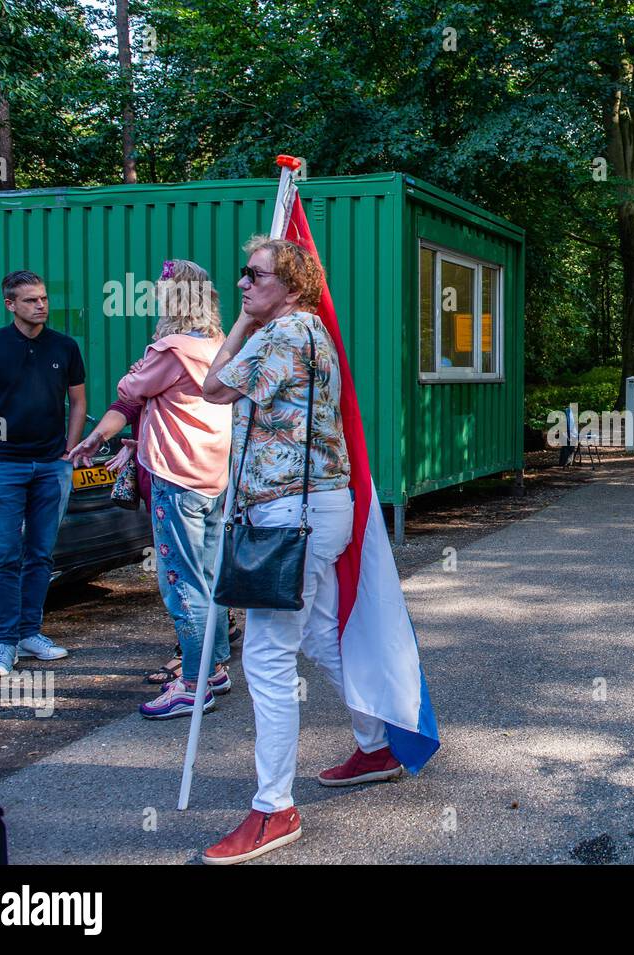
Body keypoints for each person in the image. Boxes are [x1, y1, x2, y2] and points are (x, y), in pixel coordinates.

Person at [198, 236, 398, 865]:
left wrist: (238, 326)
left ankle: (274, 808)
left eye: (254, 276)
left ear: (291, 286)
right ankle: (378, 743)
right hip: (312, 511)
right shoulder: (307, 332)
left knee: (265, 657)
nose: (242, 285)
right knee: (317, 638)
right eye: (242, 275)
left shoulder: (282, 337)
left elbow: (213, 388)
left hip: (290, 514)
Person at [67, 260, 234, 719]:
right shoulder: (218, 347)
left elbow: (129, 391)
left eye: (162, 292)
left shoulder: (170, 349)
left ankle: (193, 683)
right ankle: (214, 667)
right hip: (213, 476)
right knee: (209, 577)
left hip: (175, 476)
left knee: (179, 581)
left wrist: (102, 428)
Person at [0, 271, 85, 678]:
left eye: (44, 298)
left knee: (41, 554)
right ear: (10, 304)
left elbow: (79, 400)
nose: (41, 306)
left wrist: (70, 448)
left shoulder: (64, 346)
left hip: (52, 466)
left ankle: (31, 633)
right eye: (31, 300)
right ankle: (4, 643)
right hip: (4, 465)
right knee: (3, 555)